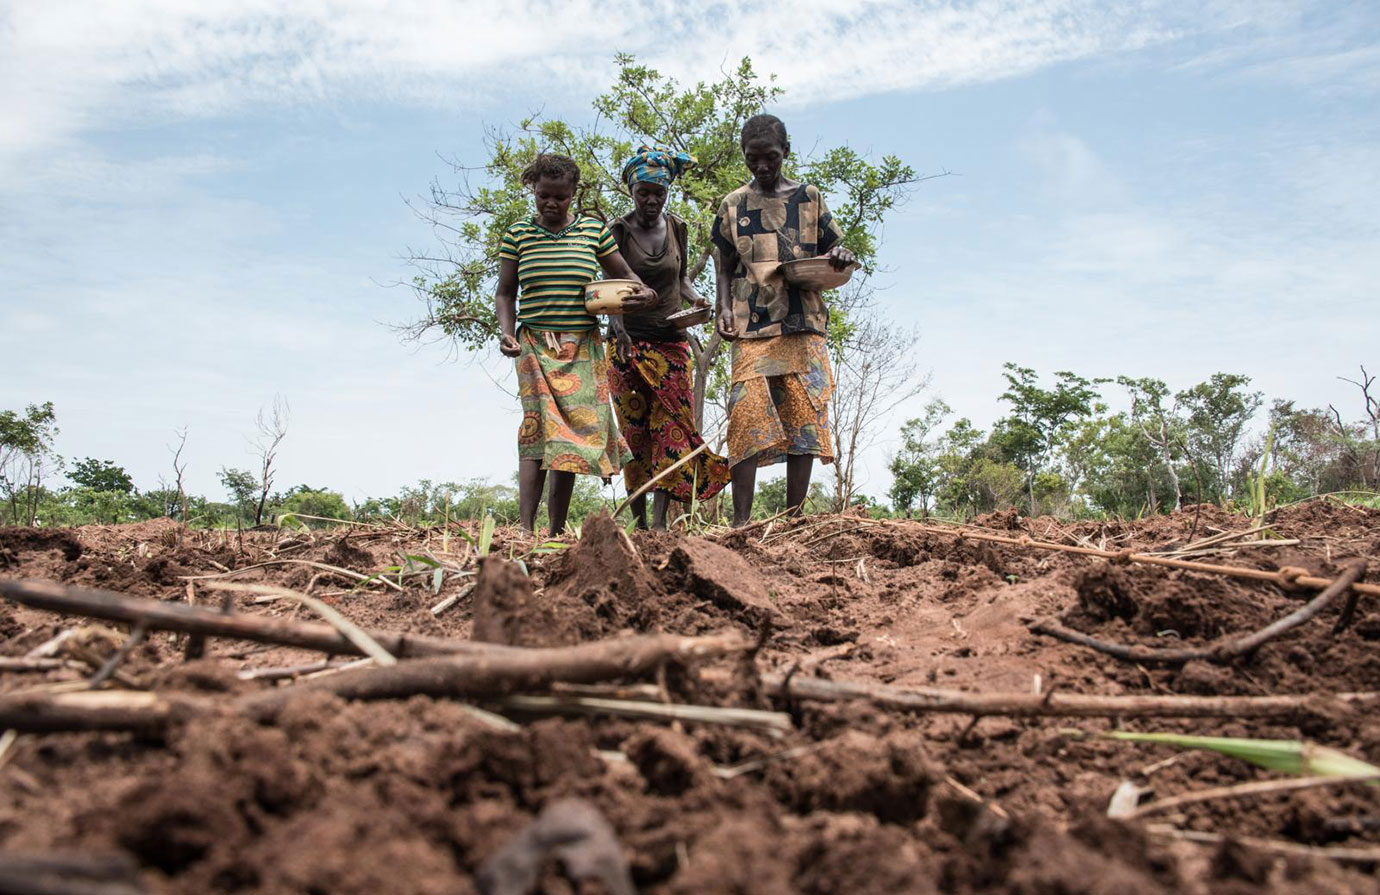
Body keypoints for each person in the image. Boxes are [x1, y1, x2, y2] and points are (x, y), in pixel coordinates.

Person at [495, 153, 655, 534]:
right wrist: (505, 331)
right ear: (534, 191)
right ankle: (524, 528)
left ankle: (554, 530)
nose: (551, 204)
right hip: (534, 343)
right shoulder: (518, 235)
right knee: (537, 429)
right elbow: (505, 293)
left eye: (560, 197)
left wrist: (644, 295)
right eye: (543, 196)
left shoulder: (592, 232)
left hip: (582, 346)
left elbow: (627, 279)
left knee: (569, 438)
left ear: (573, 195)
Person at [711, 114, 856, 526]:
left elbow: (836, 251)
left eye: (770, 157)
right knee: (745, 416)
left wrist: (840, 257)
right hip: (751, 324)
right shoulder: (732, 205)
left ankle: (793, 520)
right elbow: (723, 266)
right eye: (752, 158)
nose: (762, 167)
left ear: (786, 153)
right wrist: (723, 308)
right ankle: (741, 521)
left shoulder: (809, 198)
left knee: (803, 417)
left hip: (802, 320)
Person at [606, 146, 731, 529]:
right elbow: (610, 286)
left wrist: (698, 300)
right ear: (631, 190)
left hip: (672, 344)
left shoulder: (677, 227)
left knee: (672, 431)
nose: (651, 200)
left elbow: (681, 279)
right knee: (636, 437)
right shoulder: (617, 231)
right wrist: (620, 327)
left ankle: (660, 524)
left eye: (658, 192)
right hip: (628, 347)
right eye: (644, 192)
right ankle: (641, 524)